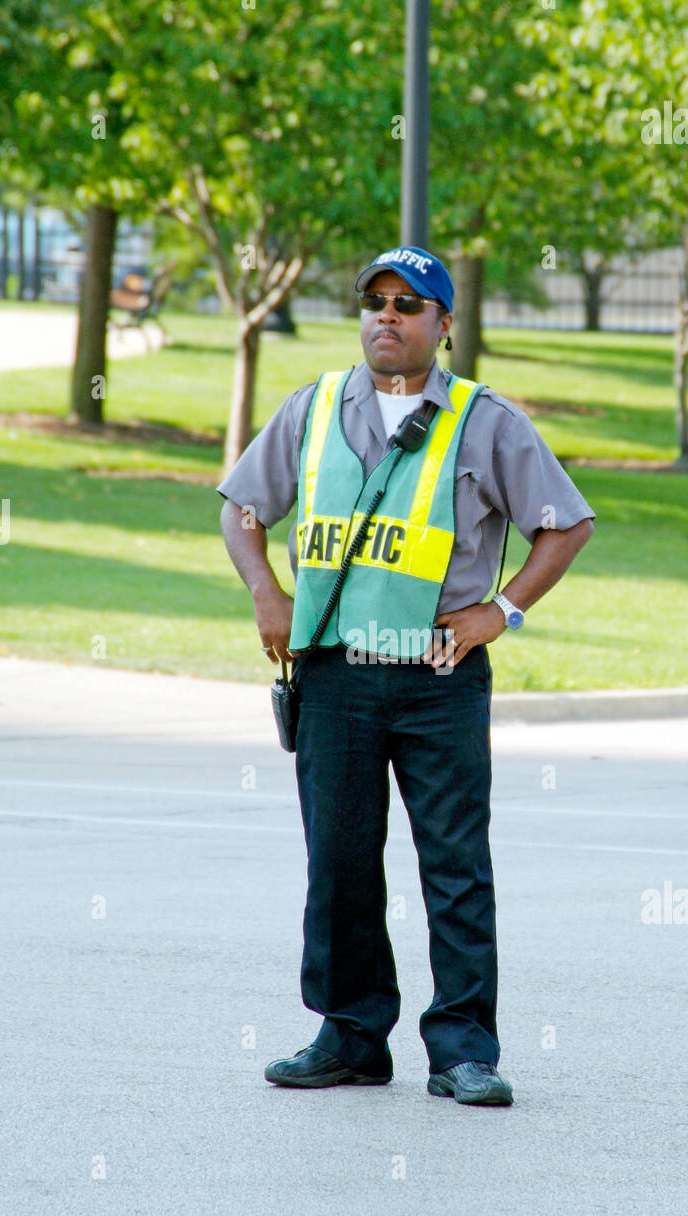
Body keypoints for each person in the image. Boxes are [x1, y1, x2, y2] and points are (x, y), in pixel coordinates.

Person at [218, 246, 595, 1106]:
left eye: (409, 305)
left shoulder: (486, 420)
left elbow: (564, 524)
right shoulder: (313, 409)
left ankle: (464, 1048)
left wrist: (501, 611)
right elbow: (242, 510)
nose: (386, 316)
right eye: (374, 301)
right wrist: (265, 588)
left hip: (438, 674)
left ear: (443, 325)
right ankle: (351, 1035)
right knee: (341, 862)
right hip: (335, 674)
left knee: (455, 864)